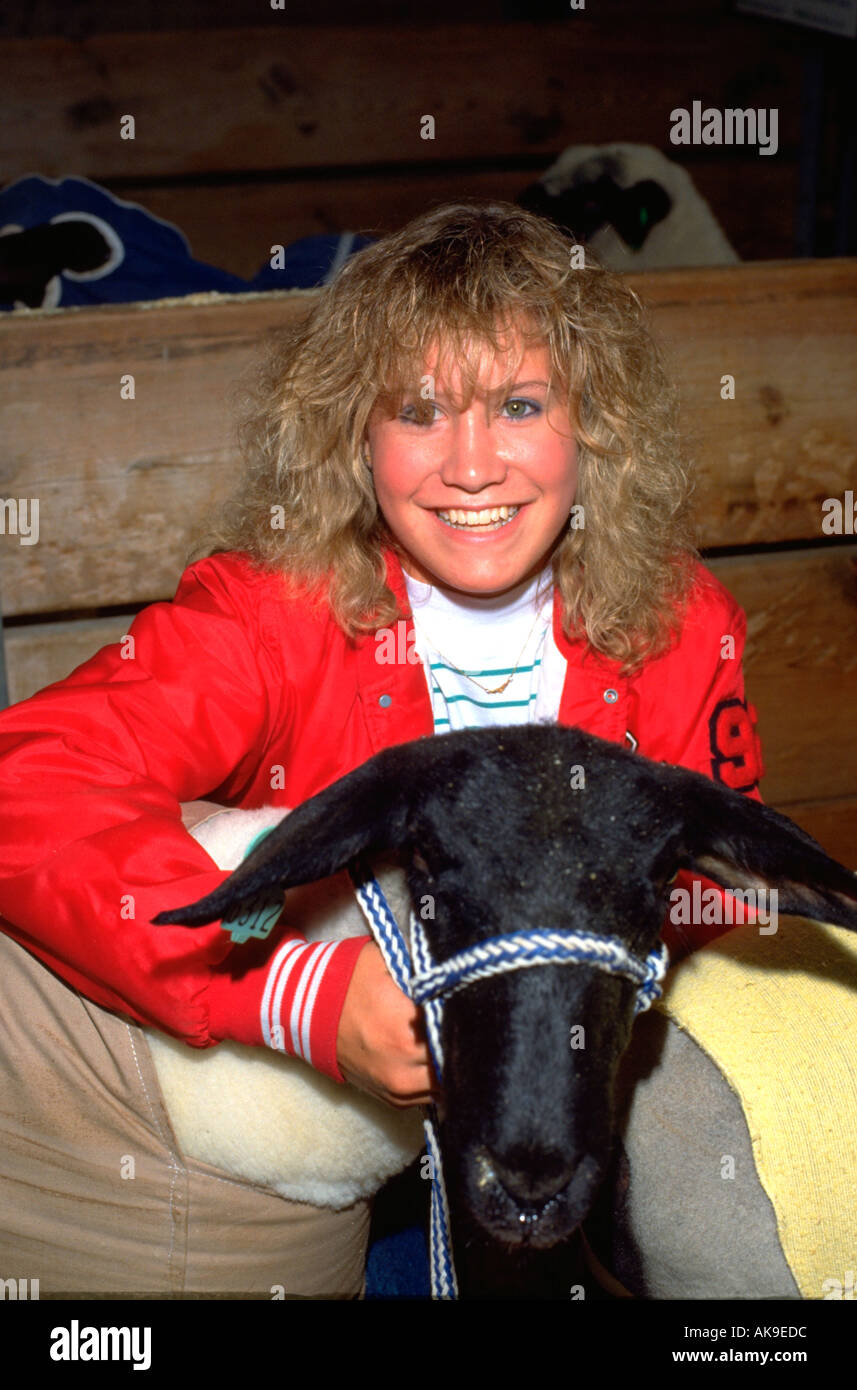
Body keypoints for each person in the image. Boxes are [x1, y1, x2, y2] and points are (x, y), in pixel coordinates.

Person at [0, 201, 763, 1295]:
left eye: (516, 404)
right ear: (352, 439)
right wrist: (295, 990)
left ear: (593, 423)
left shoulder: (685, 622)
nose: (468, 464)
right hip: (342, 1141)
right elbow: (26, 781)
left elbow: (716, 899)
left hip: (570, 1122)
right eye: (417, 410)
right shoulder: (270, 616)